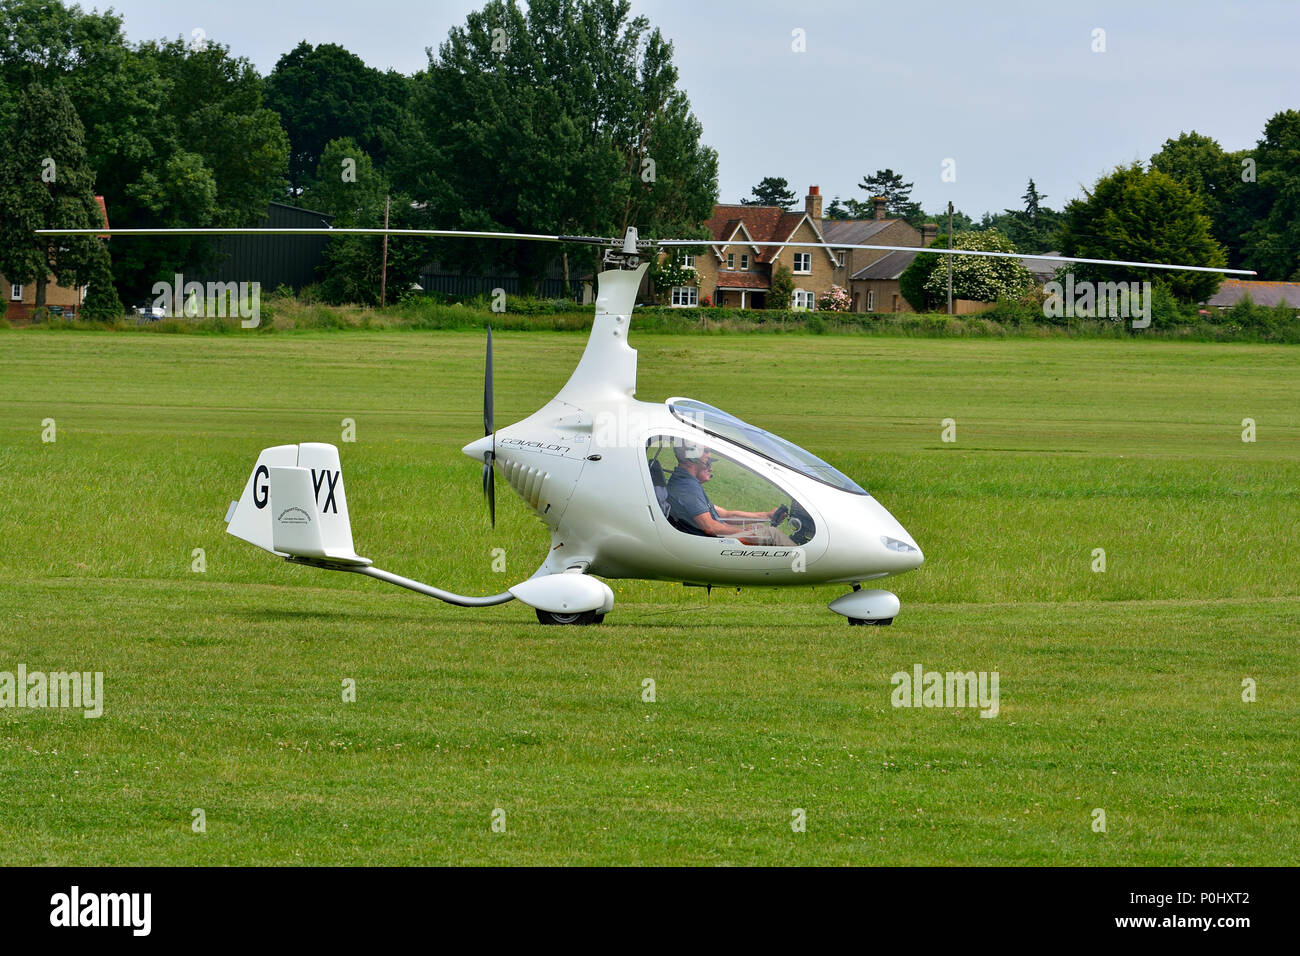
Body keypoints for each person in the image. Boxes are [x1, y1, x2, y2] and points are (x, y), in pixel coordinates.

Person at [665, 444, 796, 546]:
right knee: (772, 534)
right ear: (690, 457)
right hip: (714, 546)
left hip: (717, 541)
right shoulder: (686, 487)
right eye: (705, 451)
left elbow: (727, 515)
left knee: (766, 531)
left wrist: (767, 516)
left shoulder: (688, 483)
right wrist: (746, 532)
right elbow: (710, 527)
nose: (709, 455)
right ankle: (805, 564)